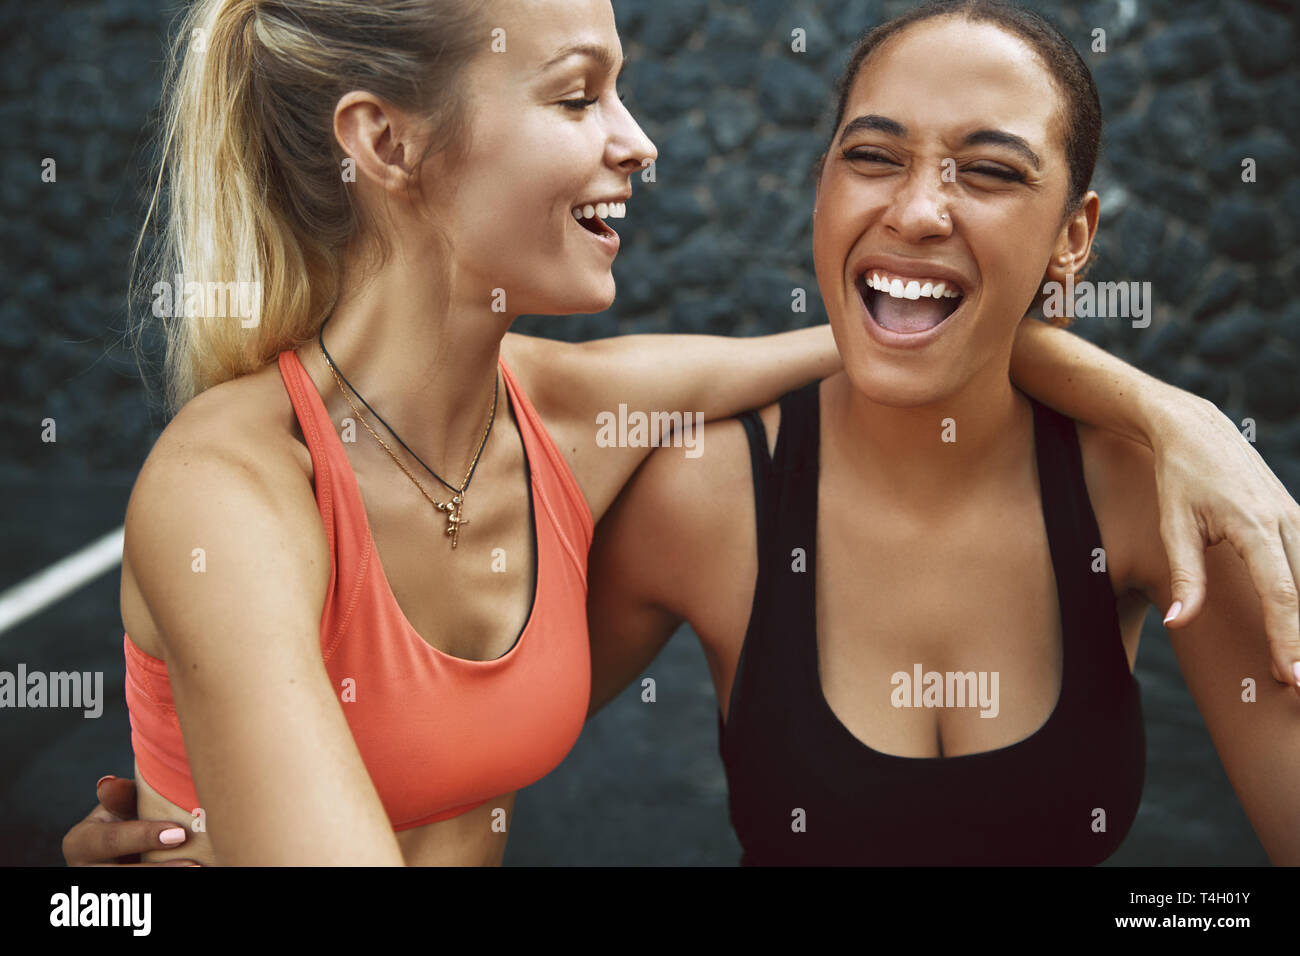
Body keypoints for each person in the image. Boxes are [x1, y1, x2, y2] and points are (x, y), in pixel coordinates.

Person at [62, 0, 1299, 866]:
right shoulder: (231, 487)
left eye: (988, 172)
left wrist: (1172, 415)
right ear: (385, 142)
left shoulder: (586, 415)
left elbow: (903, 332)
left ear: (1074, 229)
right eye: (579, 93)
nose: (638, 141)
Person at [583, 0, 1300, 865]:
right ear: (823, 189)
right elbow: (455, 754)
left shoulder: (1168, 496)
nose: (919, 211)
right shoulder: (703, 493)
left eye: (991, 171)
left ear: (1073, 238)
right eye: (874, 157)